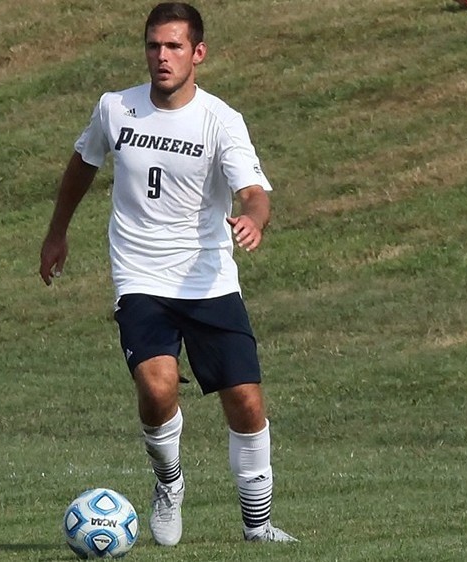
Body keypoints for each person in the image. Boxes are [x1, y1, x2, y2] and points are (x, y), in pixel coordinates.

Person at [39, 2, 296, 545]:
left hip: (208, 279)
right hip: (139, 276)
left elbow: (254, 192)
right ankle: (168, 482)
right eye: (154, 45)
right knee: (157, 389)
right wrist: (57, 232)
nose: (162, 56)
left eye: (175, 46)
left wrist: (253, 220)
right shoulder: (116, 108)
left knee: (246, 400)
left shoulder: (221, 120)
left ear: (197, 53)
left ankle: (258, 527)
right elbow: (83, 164)